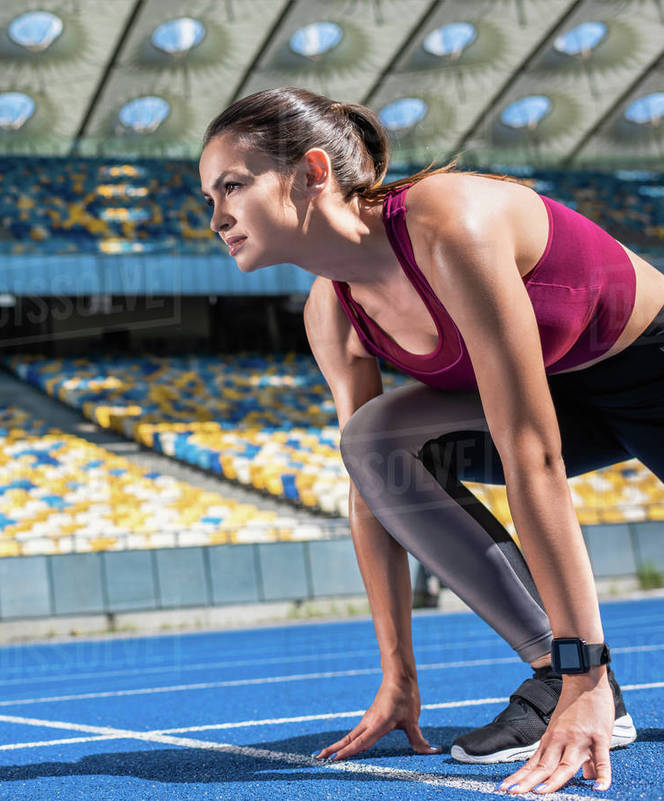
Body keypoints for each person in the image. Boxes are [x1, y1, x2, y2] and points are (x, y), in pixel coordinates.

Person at [198, 86, 664, 795]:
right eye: (209, 197)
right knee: (373, 439)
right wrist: (399, 677)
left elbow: (530, 455)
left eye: (232, 186)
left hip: (650, 368)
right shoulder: (331, 309)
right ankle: (553, 675)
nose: (216, 216)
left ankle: (581, 676)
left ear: (312, 173)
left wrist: (588, 667)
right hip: (557, 392)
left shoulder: (450, 223)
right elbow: (372, 486)